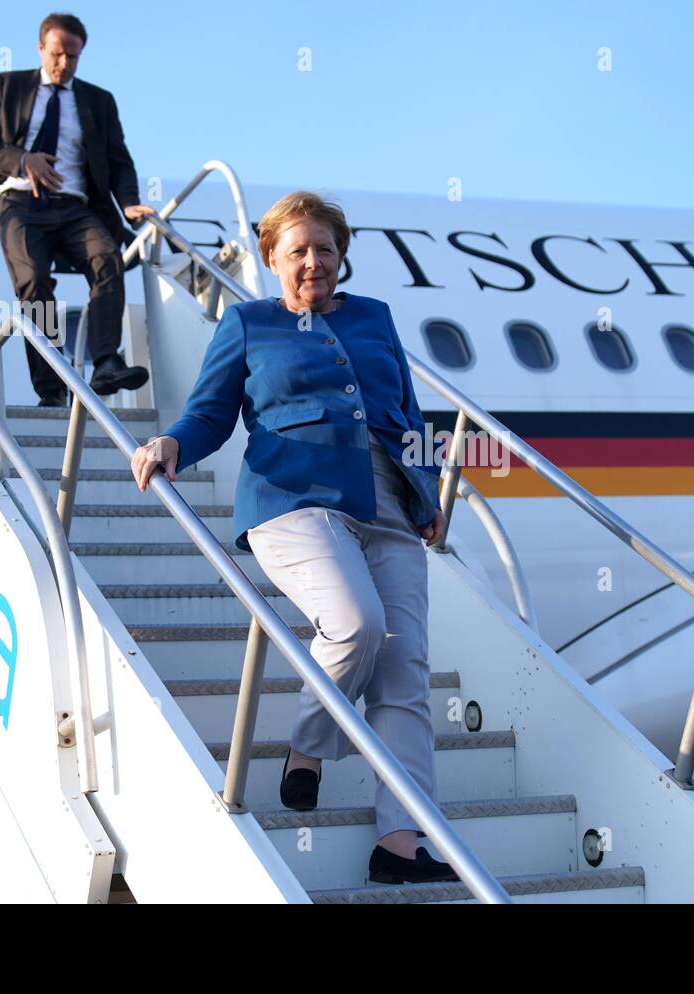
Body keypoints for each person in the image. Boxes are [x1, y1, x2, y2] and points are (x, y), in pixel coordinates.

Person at [131, 191, 458, 885]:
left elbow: (408, 411)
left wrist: (427, 490)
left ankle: (401, 846)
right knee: (355, 624)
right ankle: (307, 746)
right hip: (293, 499)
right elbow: (211, 413)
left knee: (403, 674)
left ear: (342, 257)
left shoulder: (376, 318)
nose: (314, 262)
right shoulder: (249, 324)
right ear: (272, 258)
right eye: (299, 250)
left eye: (326, 249)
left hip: (388, 501)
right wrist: (171, 445)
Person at [0, 12, 155, 407]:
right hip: (19, 200)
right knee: (34, 281)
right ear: (40, 48)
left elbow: (118, 158)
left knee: (108, 258)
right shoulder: (7, 86)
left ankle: (106, 361)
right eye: (56, 54)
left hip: (76, 205)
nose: (63, 64)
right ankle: (51, 385)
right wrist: (23, 160)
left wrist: (127, 203)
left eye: (72, 57)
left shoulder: (98, 101)